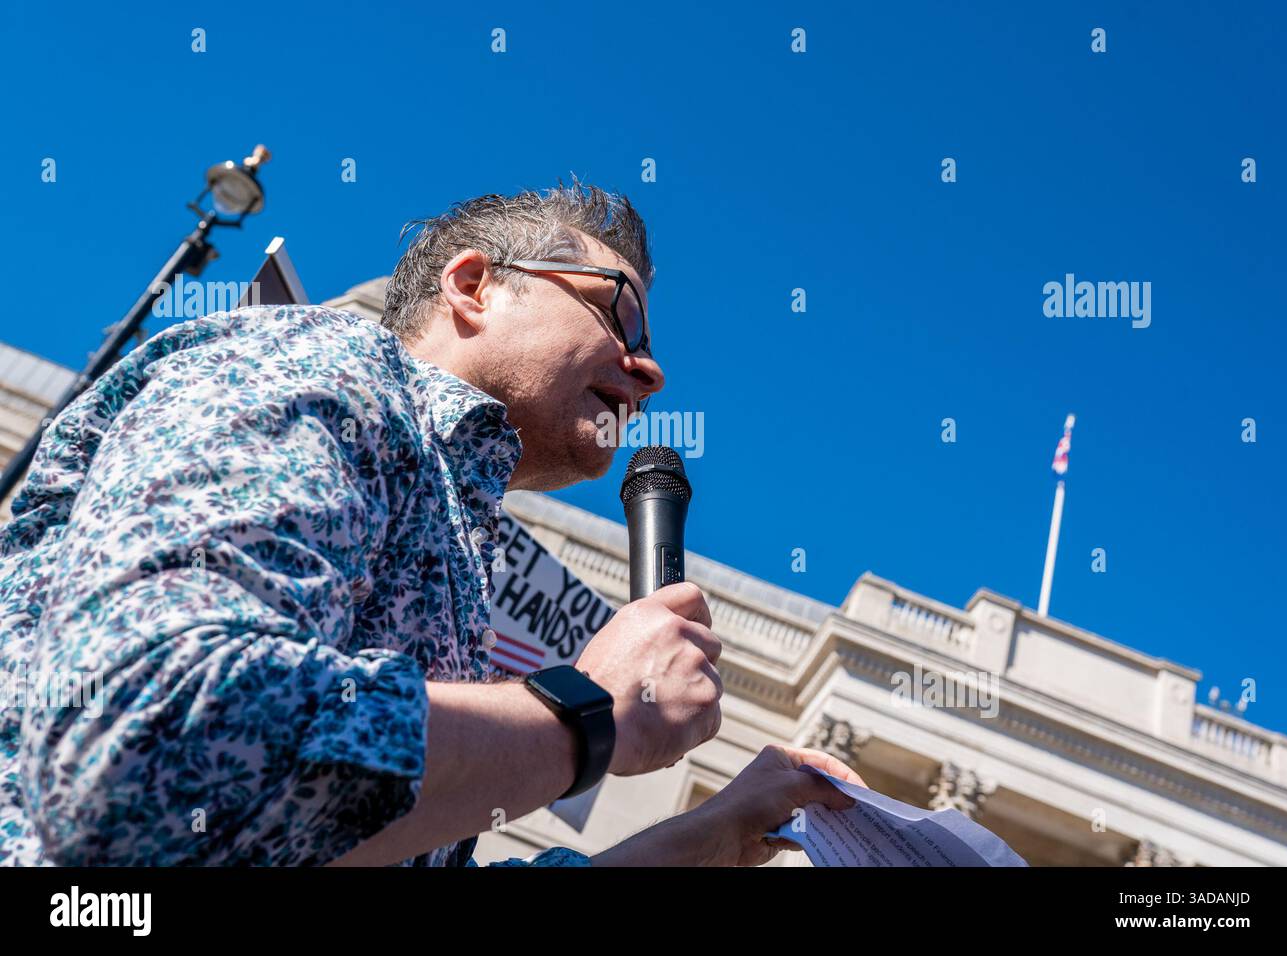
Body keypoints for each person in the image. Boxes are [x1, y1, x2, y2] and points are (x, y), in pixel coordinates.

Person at [0, 179, 863, 867]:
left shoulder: (456, 549)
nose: (650, 370)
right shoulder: (321, 369)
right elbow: (147, 751)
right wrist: (584, 716)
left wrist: (712, 833)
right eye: (618, 312)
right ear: (475, 285)